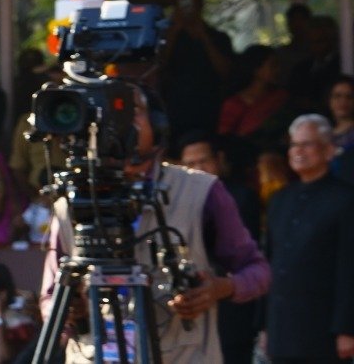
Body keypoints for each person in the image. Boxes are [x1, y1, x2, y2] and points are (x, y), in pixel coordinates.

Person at [41, 86, 270, 364]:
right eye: (104, 115)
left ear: (157, 123)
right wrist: (67, 313)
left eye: (130, 111)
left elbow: (257, 270)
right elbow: (51, 296)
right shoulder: (70, 200)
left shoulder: (201, 190)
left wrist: (219, 288)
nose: (115, 123)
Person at [264, 114, 354, 364]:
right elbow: (269, 261)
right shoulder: (280, 200)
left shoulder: (345, 199)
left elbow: (349, 268)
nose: (298, 151)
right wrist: (264, 325)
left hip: (324, 329)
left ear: (328, 150)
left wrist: (347, 329)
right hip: (282, 328)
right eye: (294, 145)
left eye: (307, 144)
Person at [178, 132, 263, 364]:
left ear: (220, 160)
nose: (197, 169)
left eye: (203, 161)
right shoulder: (172, 201)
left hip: (230, 309)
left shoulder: (241, 197)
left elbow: (244, 260)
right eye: (190, 164)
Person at [159, 0, 234, 140]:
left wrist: (203, 37)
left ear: (200, 4)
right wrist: (175, 30)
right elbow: (159, 65)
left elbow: (226, 71)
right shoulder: (166, 38)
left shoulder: (217, 37)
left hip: (210, 106)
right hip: (176, 107)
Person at [218, 44, 292, 148]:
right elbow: (225, 140)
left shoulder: (280, 96)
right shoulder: (233, 104)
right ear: (256, 70)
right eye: (273, 65)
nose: (278, 70)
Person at [324, 74, 354, 184]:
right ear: (329, 100)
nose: (343, 102)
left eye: (349, 97)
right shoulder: (322, 132)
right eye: (337, 96)